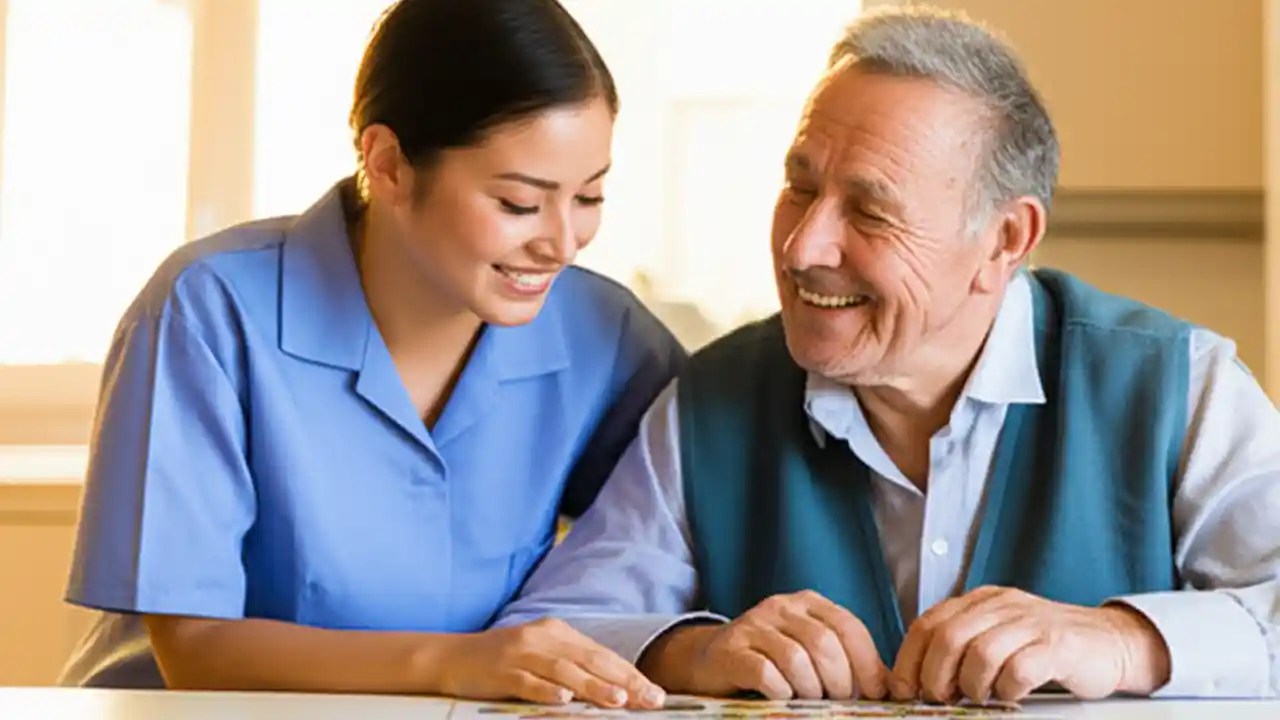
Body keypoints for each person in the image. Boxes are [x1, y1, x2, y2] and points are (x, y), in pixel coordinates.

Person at [498, 5, 1280, 704]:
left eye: (871, 211)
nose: (804, 247)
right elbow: (541, 636)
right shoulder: (712, 402)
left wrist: (1125, 642)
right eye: (799, 188)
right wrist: (693, 651)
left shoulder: (1178, 384)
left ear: (1005, 240)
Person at [59, 0, 675, 708]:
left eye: (590, 196)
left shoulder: (604, 333)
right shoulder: (208, 309)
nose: (563, 242)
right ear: (387, 165)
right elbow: (195, 650)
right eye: (518, 204)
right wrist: (457, 663)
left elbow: (714, 492)